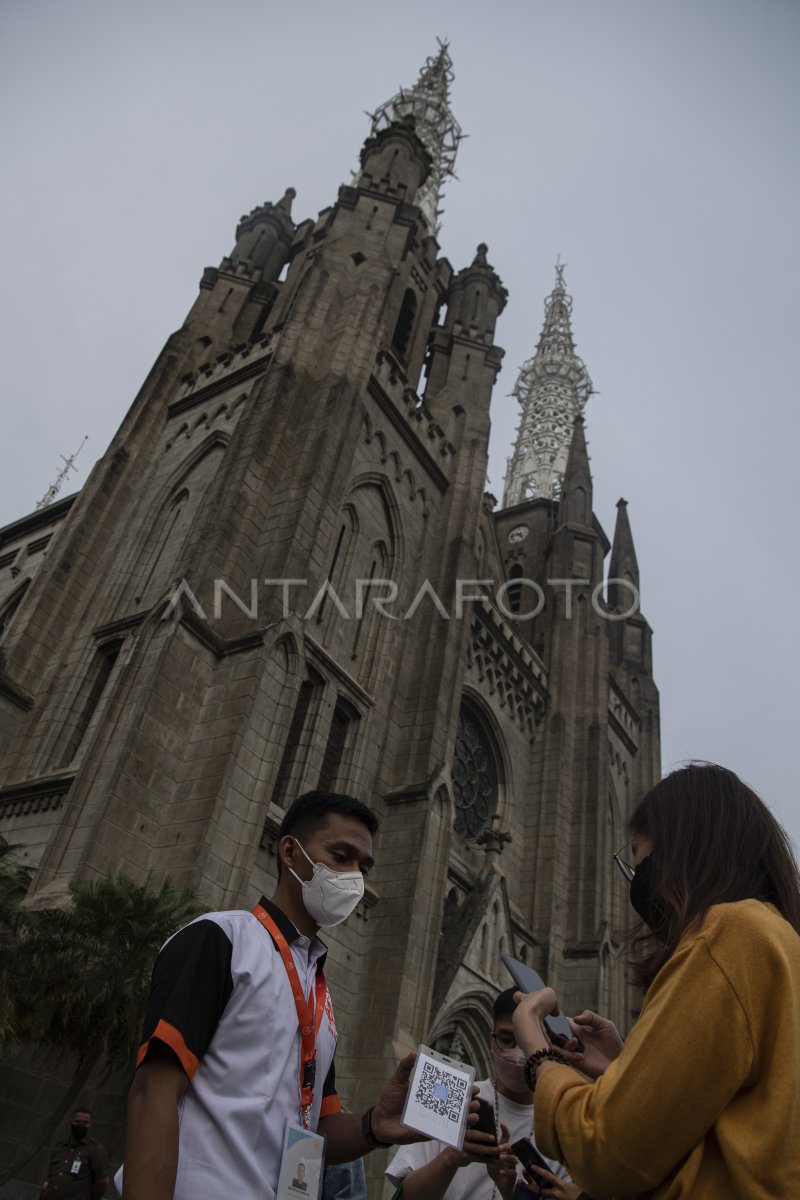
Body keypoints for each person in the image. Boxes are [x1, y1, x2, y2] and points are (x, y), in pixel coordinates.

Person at [512, 763, 800, 1199]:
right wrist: (627, 1070)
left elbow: (605, 1151)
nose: (638, 880)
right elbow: (736, 1123)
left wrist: (535, 1049)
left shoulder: (728, 936)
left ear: (679, 847)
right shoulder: (780, 942)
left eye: (639, 861)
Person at [123, 791, 425, 1200]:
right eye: (341, 856)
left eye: (363, 867)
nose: (354, 877)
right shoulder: (220, 938)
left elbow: (316, 1127)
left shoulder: (320, 995)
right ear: (290, 851)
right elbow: (154, 1090)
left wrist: (375, 1125)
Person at [386, 988, 584, 1200]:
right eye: (507, 1039)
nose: (518, 1053)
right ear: (492, 1041)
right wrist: (451, 1158)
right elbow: (405, 1196)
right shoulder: (454, 1096)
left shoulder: (569, 1120)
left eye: (527, 1040)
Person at [40, 1108, 108, 1200]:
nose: (81, 1125)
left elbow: (102, 1184)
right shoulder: (60, 1146)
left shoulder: (96, 1149)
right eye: (77, 1121)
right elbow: (51, 1176)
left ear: (91, 1126)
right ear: (70, 1123)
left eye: (85, 1123)